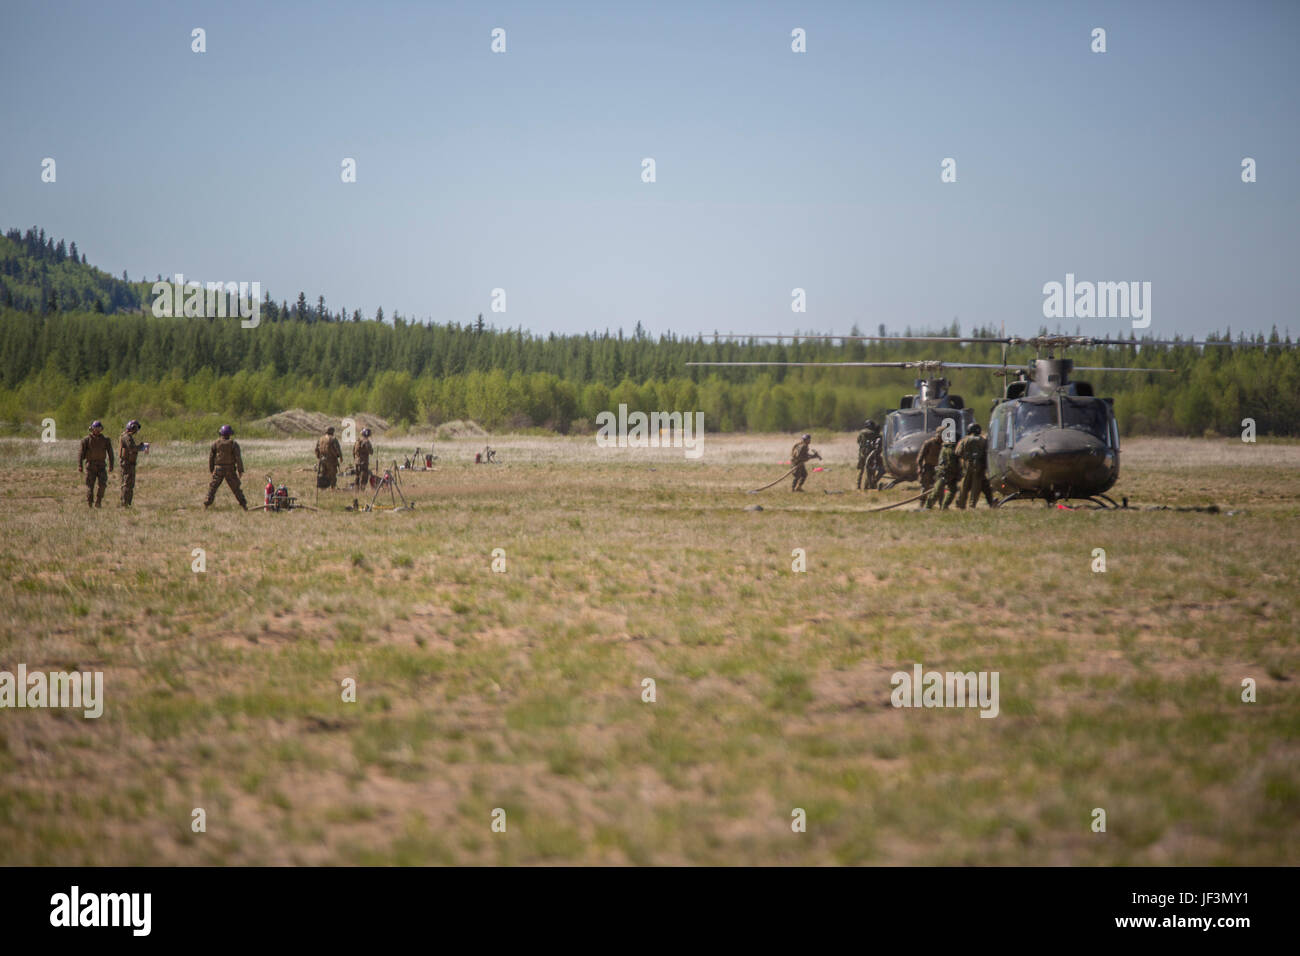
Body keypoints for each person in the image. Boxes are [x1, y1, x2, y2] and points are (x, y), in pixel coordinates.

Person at [205, 424, 248, 510]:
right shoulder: (233, 444)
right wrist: (240, 470)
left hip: (218, 469)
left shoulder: (216, 443)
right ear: (230, 434)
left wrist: (211, 469)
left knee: (213, 488)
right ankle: (244, 505)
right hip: (230, 469)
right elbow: (238, 458)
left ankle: (206, 504)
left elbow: (211, 457)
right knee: (236, 488)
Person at [955, 423, 995, 509]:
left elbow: (958, 452)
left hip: (967, 466)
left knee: (964, 485)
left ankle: (961, 504)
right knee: (976, 486)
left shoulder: (964, 440)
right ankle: (972, 505)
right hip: (979, 466)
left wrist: (965, 458)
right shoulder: (983, 440)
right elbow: (987, 453)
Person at [78, 420, 115, 508]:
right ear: (92, 429)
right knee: (90, 486)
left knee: (102, 484)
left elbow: (110, 453)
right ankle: (89, 503)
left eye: (99, 428)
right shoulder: (86, 440)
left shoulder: (106, 440)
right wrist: (80, 465)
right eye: (95, 428)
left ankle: (98, 501)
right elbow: (81, 453)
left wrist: (111, 465)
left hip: (101, 465)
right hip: (90, 466)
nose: (97, 430)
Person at [925, 435, 961, 510]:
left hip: (946, 473)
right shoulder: (950, 449)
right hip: (945, 473)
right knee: (938, 490)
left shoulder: (946, 447)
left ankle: (942, 506)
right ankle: (930, 506)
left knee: (946, 490)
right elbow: (951, 463)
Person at [118, 419, 147, 507]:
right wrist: (141, 447)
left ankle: (127, 503)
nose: (136, 431)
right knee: (127, 483)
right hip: (127, 463)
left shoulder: (127, 436)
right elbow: (131, 448)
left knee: (129, 484)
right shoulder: (126, 437)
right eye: (135, 429)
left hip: (129, 463)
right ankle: (125, 503)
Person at [916, 423, 945, 494]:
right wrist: (920, 467)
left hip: (939, 468)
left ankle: (942, 504)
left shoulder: (945, 445)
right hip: (928, 467)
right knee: (925, 486)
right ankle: (922, 502)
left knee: (941, 487)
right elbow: (920, 457)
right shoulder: (929, 443)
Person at [856, 419, 881, 490]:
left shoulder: (861, 432)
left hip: (861, 453)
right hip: (870, 453)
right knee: (869, 470)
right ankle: (867, 485)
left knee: (861, 470)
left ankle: (858, 485)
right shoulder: (872, 433)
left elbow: (858, 441)